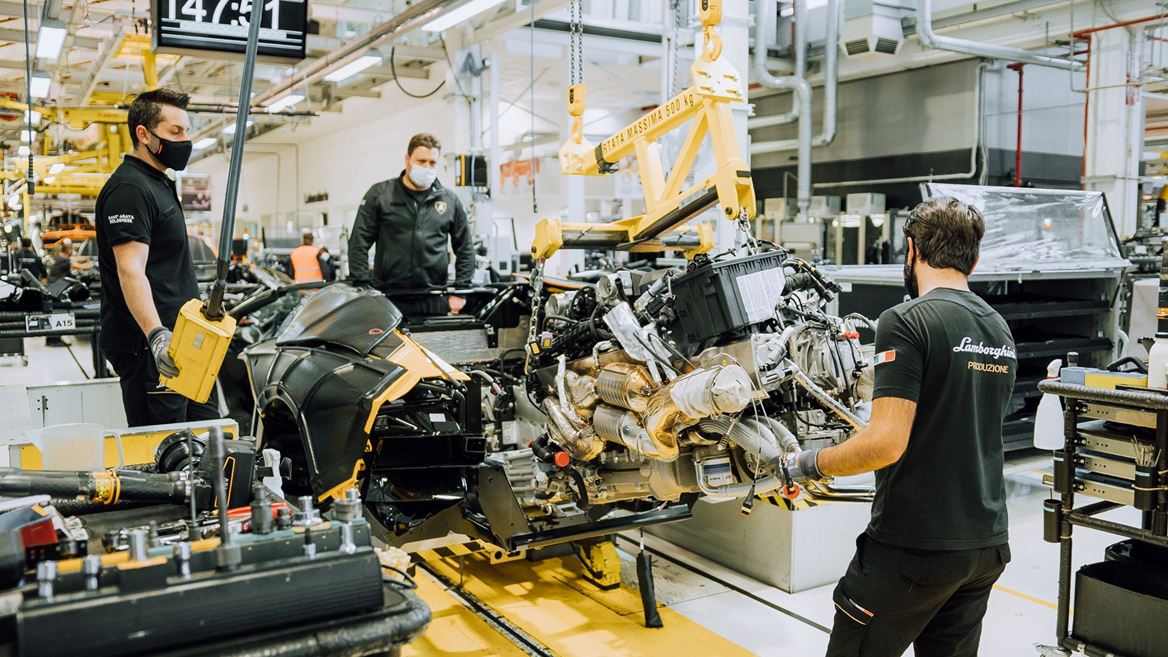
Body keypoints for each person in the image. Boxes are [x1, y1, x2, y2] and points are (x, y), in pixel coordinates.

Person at [778, 198, 1015, 657]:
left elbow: (886, 442)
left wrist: (807, 464)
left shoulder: (907, 320)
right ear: (975, 259)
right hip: (984, 546)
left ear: (911, 250)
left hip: (914, 549)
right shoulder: (997, 328)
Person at [94, 88, 219, 427]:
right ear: (144, 134)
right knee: (166, 451)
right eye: (175, 132)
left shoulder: (159, 183)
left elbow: (164, 265)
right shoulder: (130, 190)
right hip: (151, 347)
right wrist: (156, 335)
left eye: (187, 131)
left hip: (184, 341)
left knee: (209, 436)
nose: (186, 140)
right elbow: (130, 269)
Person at [348, 132, 475, 318]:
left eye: (432, 163)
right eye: (421, 161)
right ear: (407, 159)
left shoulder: (449, 201)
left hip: (433, 298)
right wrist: (363, 287)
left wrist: (461, 290)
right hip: (389, 298)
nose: (427, 167)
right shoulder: (380, 195)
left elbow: (465, 247)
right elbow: (358, 242)